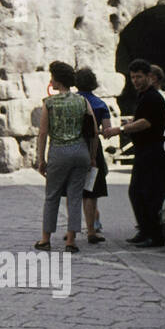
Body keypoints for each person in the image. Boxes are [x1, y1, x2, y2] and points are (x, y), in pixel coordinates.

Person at [103, 59, 165, 247]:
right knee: (138, 192)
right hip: (145, 151)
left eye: (139, 77)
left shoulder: (152, 97)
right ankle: (146, 230)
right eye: (132, 77)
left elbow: (146, 122)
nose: (135, 81)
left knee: (148, 193)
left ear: (149, 76)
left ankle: (155, 235)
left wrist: (121, 130)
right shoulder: (144, 96)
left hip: (152, 151)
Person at [34, 62, 97, 253]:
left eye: (52, 77)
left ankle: (45, 239)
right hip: (80, 152)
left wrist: (41, 159)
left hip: (59, 152)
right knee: (75, 196)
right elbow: (93, 131)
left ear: (57, 80)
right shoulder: (82, 101)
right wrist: (92, 156)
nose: (50, 80)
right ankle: (71, 241)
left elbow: (43, 133)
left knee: (52, 196)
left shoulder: (49, 103)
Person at [74, 68, 109, 243]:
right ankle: (91, 230)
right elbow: (107, 130)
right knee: (90, 192)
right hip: (93, 149)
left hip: (72, 147)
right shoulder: (100, 104)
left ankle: (71, 230)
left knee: (72, 191)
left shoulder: (71, 102)